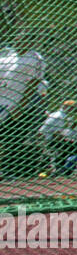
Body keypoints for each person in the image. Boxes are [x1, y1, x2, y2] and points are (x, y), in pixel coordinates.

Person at [0, 29, 46, 178]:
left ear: (30, 42)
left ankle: (6, 169)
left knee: (6, 136)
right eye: (17, 38)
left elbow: (33, 83)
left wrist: (21, 105)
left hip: (13, 102)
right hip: (1, 98)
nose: (18, 41)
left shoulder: (35, 59)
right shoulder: (9, 55)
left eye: (22, 39)